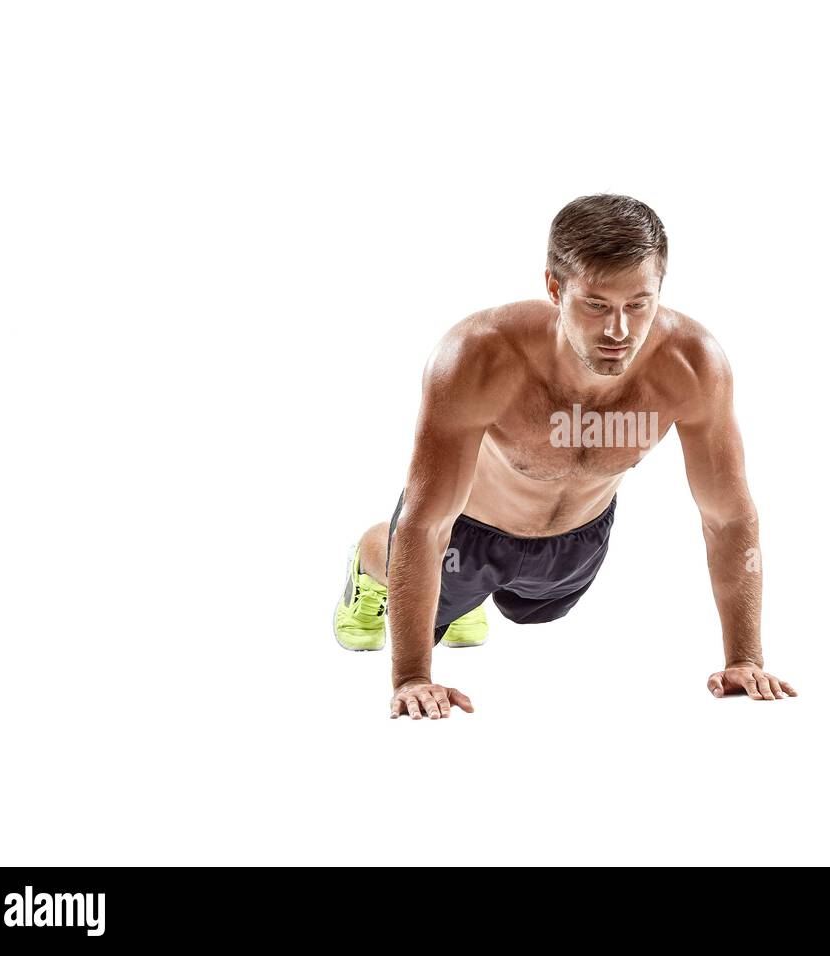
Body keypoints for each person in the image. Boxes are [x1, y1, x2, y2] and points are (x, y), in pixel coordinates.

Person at [334, 194, 796, 719]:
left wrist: (744, 659)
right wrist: (412, 678)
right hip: (464, 534)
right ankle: (369, 563)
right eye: (596, 305)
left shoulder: (692, 365)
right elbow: (426, 524)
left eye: (638, 304)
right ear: (555, 288)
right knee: (434, 581)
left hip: (578, 543)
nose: (619, 331)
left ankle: (468, 600)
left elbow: (728, 517)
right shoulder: (478, 357)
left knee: (535, 614)